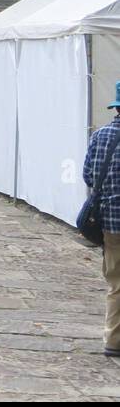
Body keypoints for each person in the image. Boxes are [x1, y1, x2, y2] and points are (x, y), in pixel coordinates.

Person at [84, 81, 120, 358]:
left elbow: (89, 176)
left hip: (111, 222)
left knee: (117, 283)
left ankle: (114, 340)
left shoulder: (101, 135)